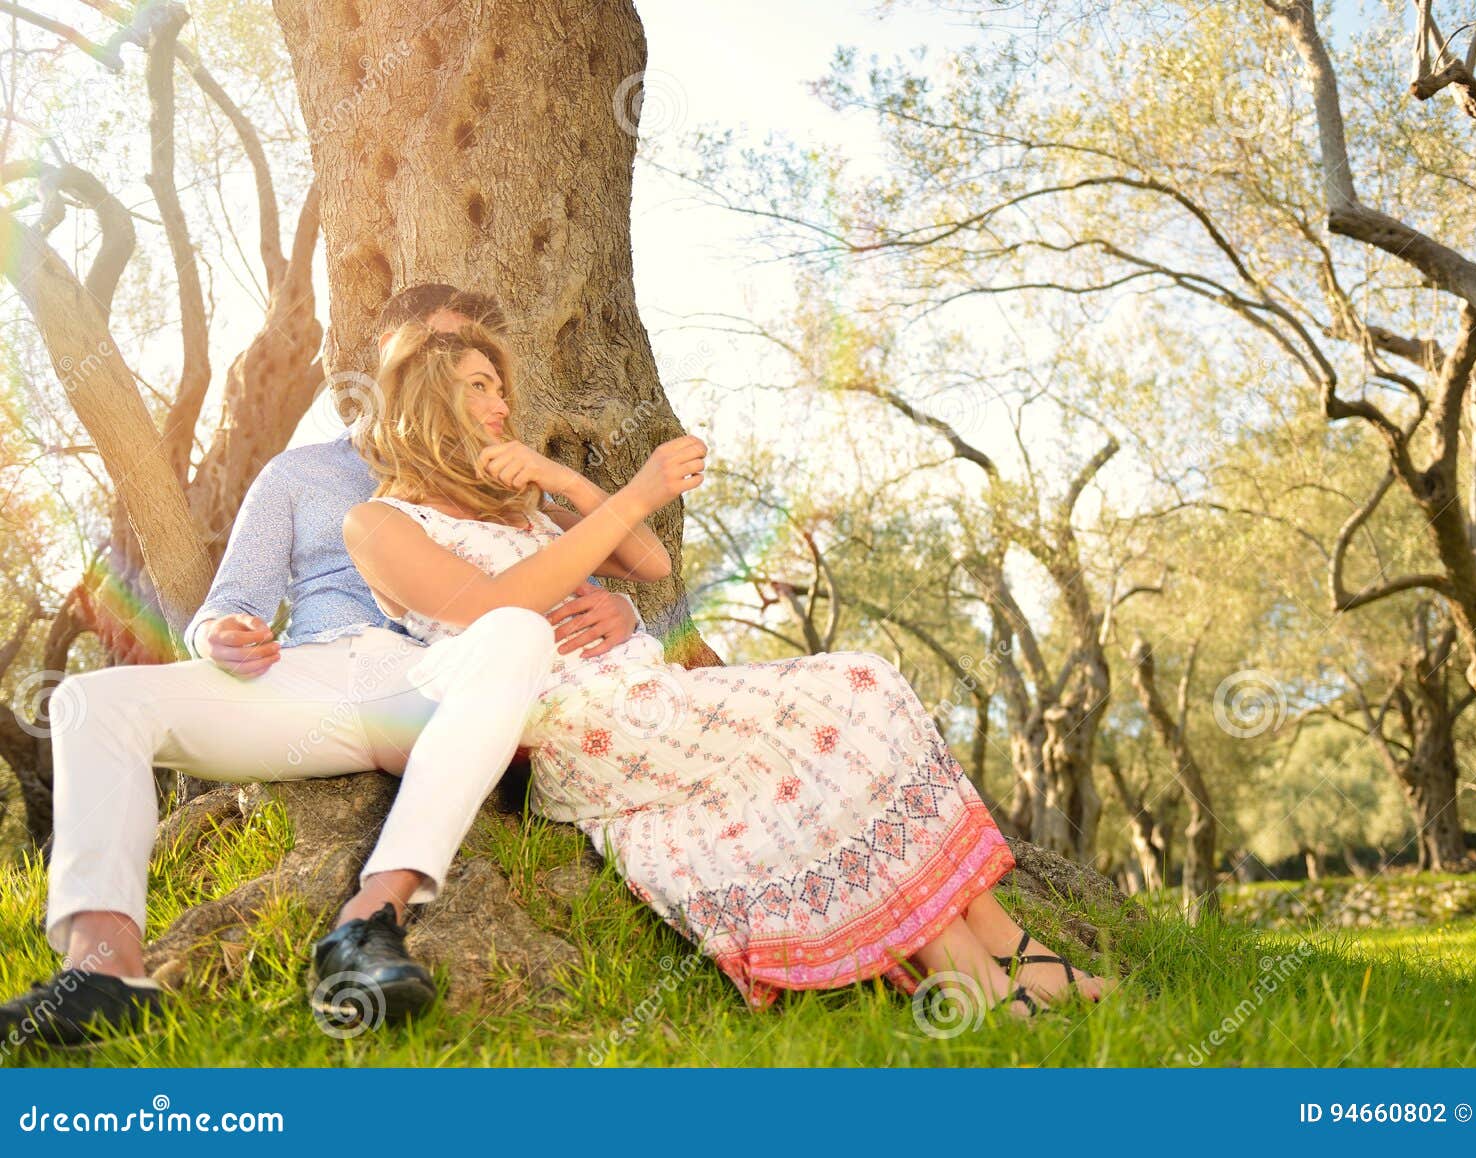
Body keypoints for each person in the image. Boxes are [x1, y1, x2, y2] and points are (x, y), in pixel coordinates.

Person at [342, 319, 1112, 1017]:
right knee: (851, 698)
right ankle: (986, 975)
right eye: (478, 387)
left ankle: (1004, 955)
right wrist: (637, 491)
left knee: (854, 715)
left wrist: (562, 483)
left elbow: (645, 561)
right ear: (424, 401)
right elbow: (494, 607)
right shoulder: (380, 522)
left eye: (500, 387)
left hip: (653, 695)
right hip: (586, 732)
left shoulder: (523, 513)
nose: (501, 405)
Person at [0, 284, 642, 1047]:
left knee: (511, 632)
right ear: (387, 364)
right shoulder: (301, 475)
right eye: (431, 357)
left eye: (472, 368)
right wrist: (220, 634)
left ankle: (371, 922)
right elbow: (229, 599)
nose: (456, 381)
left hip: (442, 682)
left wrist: (622, 610)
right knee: (89, 702)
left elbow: (568, 577)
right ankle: (105, 971)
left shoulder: (508, 487)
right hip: (315, 678)